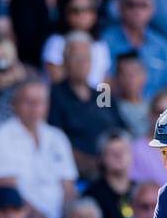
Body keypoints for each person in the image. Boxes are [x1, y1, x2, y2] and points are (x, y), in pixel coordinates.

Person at [0, 77, 78, 218]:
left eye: (40, 102)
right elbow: (8, 190)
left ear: (47, 105)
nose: (34, 107)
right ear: (14, 104)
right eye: (28, 101)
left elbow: (68, 187)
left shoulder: (57, 137)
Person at [48, 32, 124, 177]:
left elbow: (119, 128)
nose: (82, 64)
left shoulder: (103, 93)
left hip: (111, 165)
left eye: (86, 58)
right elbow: (55, 139)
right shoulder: (54, 95)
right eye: (76, 58)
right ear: (65, 62)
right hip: (77, 169)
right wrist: (92, 164)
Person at [101, 0, 167, 99]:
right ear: (120, 8)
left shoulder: (162, 45)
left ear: (152, 10)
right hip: (117, 107)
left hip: (155, 111)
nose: (137, 11)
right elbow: (102, 83)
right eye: (131, 5)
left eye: (143, 5)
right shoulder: (105, 41)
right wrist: (105, 110)